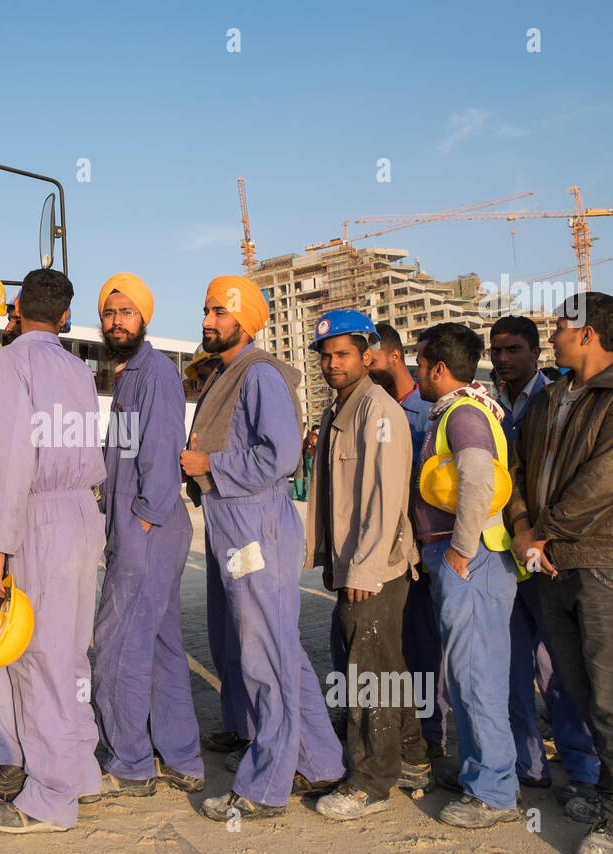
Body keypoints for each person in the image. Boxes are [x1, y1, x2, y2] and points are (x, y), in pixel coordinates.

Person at [185, 277, 345, 823]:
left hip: (256, 527)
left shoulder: (259, 375)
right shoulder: (229, 375)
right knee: (281, 654)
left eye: (218, 312)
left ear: (247, 320)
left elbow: (280, 458)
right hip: (235, 525)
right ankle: (321, 763)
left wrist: (210, 466)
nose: (207, 320)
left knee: (263, 658)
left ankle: (266, 786)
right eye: (206, 310)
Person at [507, 292, 613, 854]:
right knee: (578, 687)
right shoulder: (549, 398)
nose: (553, 332)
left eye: (561, 324)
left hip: (604, 562)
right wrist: (522, 524)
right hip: (550, 562)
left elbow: (605, 483)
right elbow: (518, 467)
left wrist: (541, 533)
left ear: (589, 333)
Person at [0, 268, 108, 834]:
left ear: (16, 309)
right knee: (73, 653)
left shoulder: (11, 362)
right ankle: (81, 771)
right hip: (83, 513)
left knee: (40, 662)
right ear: (63, 317)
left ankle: (50, 797)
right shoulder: (77, 366)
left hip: (41, 517)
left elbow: (12, 457)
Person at [306, 310, 423, 821]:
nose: (333, 364)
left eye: (343, 354)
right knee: (386, 665)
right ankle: (414, 757)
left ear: (368, 354)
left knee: (364, 674)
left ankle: (370, 781)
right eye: (326, 356)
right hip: (351, 562)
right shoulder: (340, 410)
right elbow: (332, 497)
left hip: (375, 568)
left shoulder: (378, 411)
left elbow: (385, 499)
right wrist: (330, 559)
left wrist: (363, 569)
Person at [91, 273, 204, 796]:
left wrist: (141, 518)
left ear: (144, 319)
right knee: (158, 645)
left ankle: (130, 761)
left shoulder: (154, 372)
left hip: (148, 528)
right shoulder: (129, 374)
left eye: (127, 312)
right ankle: (182, 756)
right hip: (145, 526)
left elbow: (161, 450)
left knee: (119, 646)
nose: (117, 321)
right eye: (110, 313)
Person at [412, 323, 520, 828]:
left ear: (437, 368)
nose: (416, 373)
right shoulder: (464, 409)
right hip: (468, 560)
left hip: (471, 560)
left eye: (419, 363)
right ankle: (482, 771)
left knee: (476, 677)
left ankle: (494, 791)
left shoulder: (463, 412)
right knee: (467, 673)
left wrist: (460, 547)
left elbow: (476, 475)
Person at [490, 316, 599, 797]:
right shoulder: (485, 402)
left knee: (559, 666)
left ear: (536, 353)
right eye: (496, 350)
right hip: (502, 550)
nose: (503, 358)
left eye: (513, 349)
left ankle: (582, 767)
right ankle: (528, 764)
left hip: (549, 549)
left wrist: (543, 534)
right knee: (511, 667)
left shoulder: (557, 399)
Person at [366, 323, 448, 780]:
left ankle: (429, 734)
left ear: (393, 357)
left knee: (420, 647)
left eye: (370, 357)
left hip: (419, 551)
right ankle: (389, 730)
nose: (364, 365)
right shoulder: (365, 409)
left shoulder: (429, 412)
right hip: (378, 553)